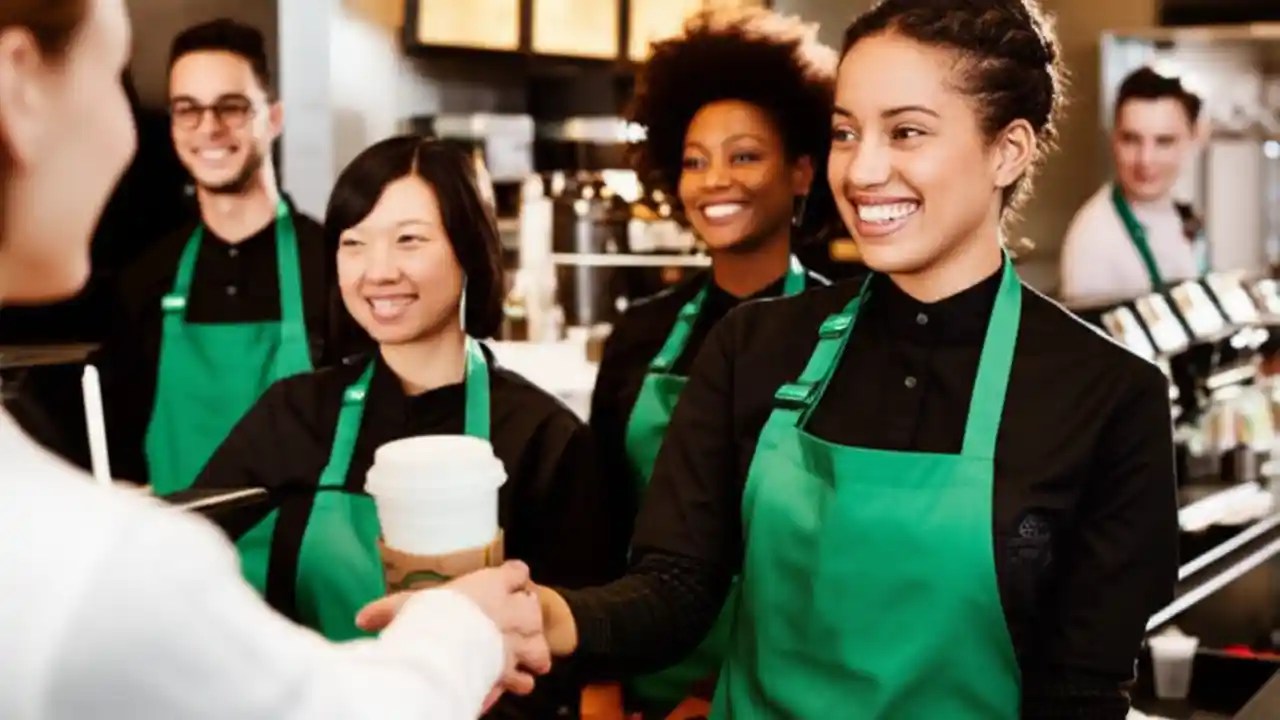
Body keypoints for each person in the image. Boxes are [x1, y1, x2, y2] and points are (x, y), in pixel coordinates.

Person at [533, 1, 1180, 717]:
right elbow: (675, 591)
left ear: (1010, 150)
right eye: (846, 132)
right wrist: (550, 620)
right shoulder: (753, 346)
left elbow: (1078, 693)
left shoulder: (1108, 397)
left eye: (906, 132)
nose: (863, 170)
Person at [0, 2, 549, 719]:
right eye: (114, 79)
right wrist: (464, 620)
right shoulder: (114, 571)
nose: (129, 138)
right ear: (19, 93)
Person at [193, 135, 617, 719]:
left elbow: (566, 662)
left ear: (467, 248)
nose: (378, 272)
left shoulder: (543, 437)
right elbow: (201, 563)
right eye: (354, 244)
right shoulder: (294, 415)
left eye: (409, 240)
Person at [588, 11, 837, 712]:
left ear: (801, 171)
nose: (714, 181)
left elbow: (830, 557)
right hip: (642, 678)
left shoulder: (844, 335)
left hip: (782, 683)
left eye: (744, 155)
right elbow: (600, 524)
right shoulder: (642, 335)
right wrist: (600, 682)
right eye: (695, 160)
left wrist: (711, 695)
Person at [90, 18, 328, 495]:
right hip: (180, 557)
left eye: (232, 108)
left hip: (307, 562)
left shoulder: (334, 264)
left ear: (274, 118)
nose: (210, 129)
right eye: (188, 110)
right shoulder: (146, 279)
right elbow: (121, 449)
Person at [1059, 66, 1205, 304]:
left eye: (1163, 141)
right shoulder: (1094, 240)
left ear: (1193, 139)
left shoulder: (1180, 210)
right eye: (1131, 140)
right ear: (1113, 138)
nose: (1145, 160)